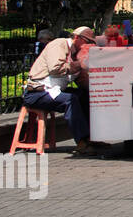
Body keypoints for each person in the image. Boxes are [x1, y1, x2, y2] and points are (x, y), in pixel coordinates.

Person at [23, 26, 96, 155]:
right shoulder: (59, 44)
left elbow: (82, 81)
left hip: (55, 91)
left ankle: (92, 137)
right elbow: (55, 68)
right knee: (70, 100)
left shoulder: (78, 54)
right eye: (87, 41)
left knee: (85, 96)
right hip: (38, 92)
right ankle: (82, 141)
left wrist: (99, 91)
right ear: (77, 38)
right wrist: (80, 63)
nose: (89, 45)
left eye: (91, 43)